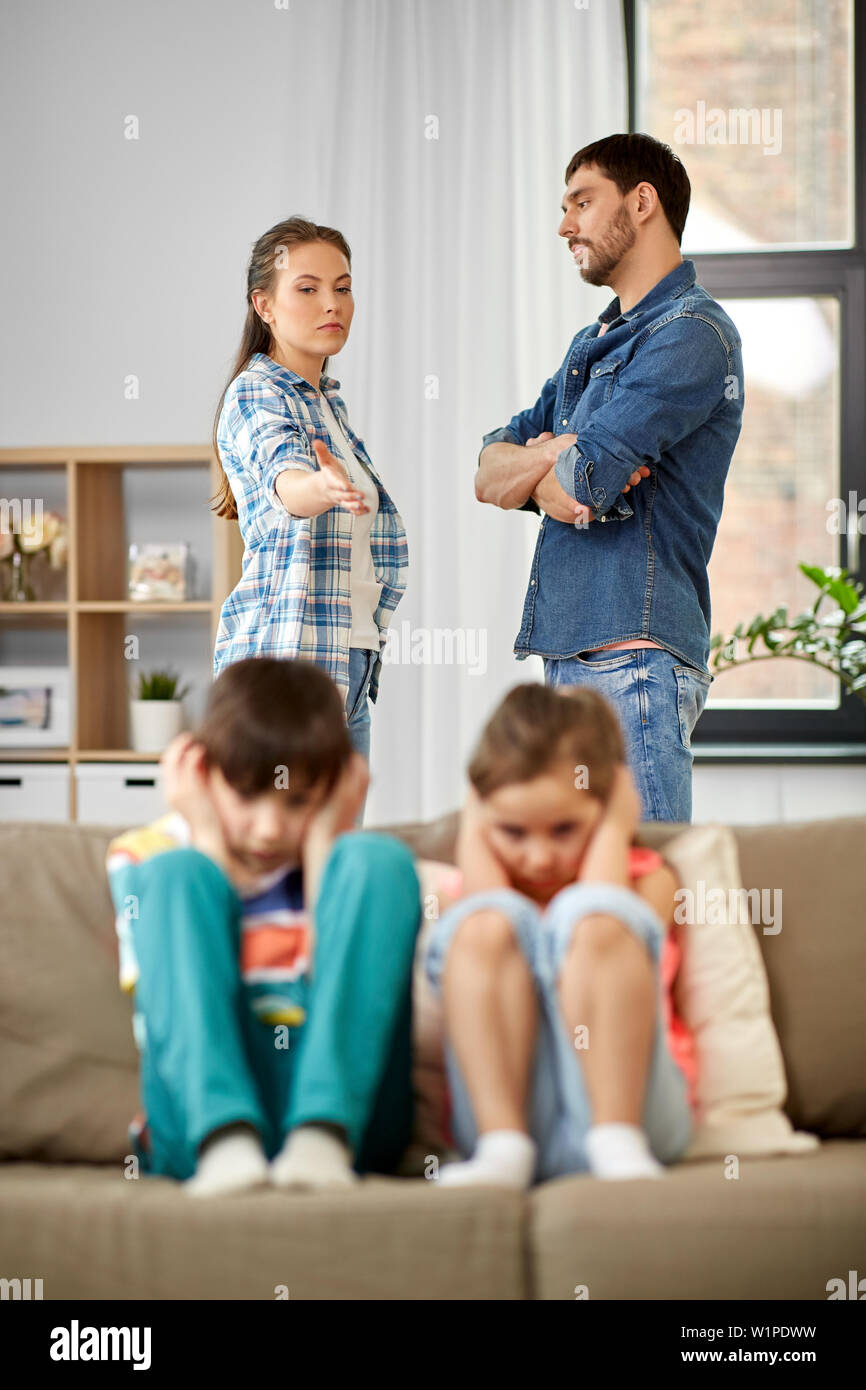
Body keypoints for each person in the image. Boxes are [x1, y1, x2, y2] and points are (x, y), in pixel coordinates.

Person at [475, 133, 745, 822]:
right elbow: (485, 470)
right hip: (569, 657)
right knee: (579, 884)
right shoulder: (591, 345)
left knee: (642, 883)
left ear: (643, 201)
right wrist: (553, 454)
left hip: (634, 659)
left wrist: (555, 464)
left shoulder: (692, 334)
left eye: (582, 202)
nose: (565, 224)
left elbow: (583, 485)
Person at [105, 656, 422, 1197]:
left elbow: (345, 989)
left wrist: (326, 840)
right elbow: (171, 1001)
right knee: (179, 875)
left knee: (380, 861)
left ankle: (321, 1132)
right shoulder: (148, 858)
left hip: (352, 1121)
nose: (270, 829)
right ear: (202, 773)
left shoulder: (348, 873)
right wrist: (207, 840)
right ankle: (225, 1137)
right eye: (248, 796)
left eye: (297, 801)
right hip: (194, 1126)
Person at [422, 681, 697, 1189]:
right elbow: (488, 915)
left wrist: (613, 832)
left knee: (593, 917)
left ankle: (615, 1136)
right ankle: (503, 1147)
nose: (539, 858)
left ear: (612, 800)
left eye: (565, 830)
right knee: (485, 923)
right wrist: (476, 820)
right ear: (481, 816)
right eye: (513, 832)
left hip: (637, 1119)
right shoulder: (478, 898)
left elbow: (602, 919)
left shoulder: (648, 881)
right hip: (507, 1128)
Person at [210, 217, 409, 822]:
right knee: (281, 858)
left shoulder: (328, 402)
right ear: (263, 304)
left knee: (334, 862)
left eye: (343, 288)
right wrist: (317, 486)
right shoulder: (257, 393)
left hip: (346, 667)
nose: (332, 304)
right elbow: (285, 481)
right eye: (308, 288)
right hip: (286, 672)